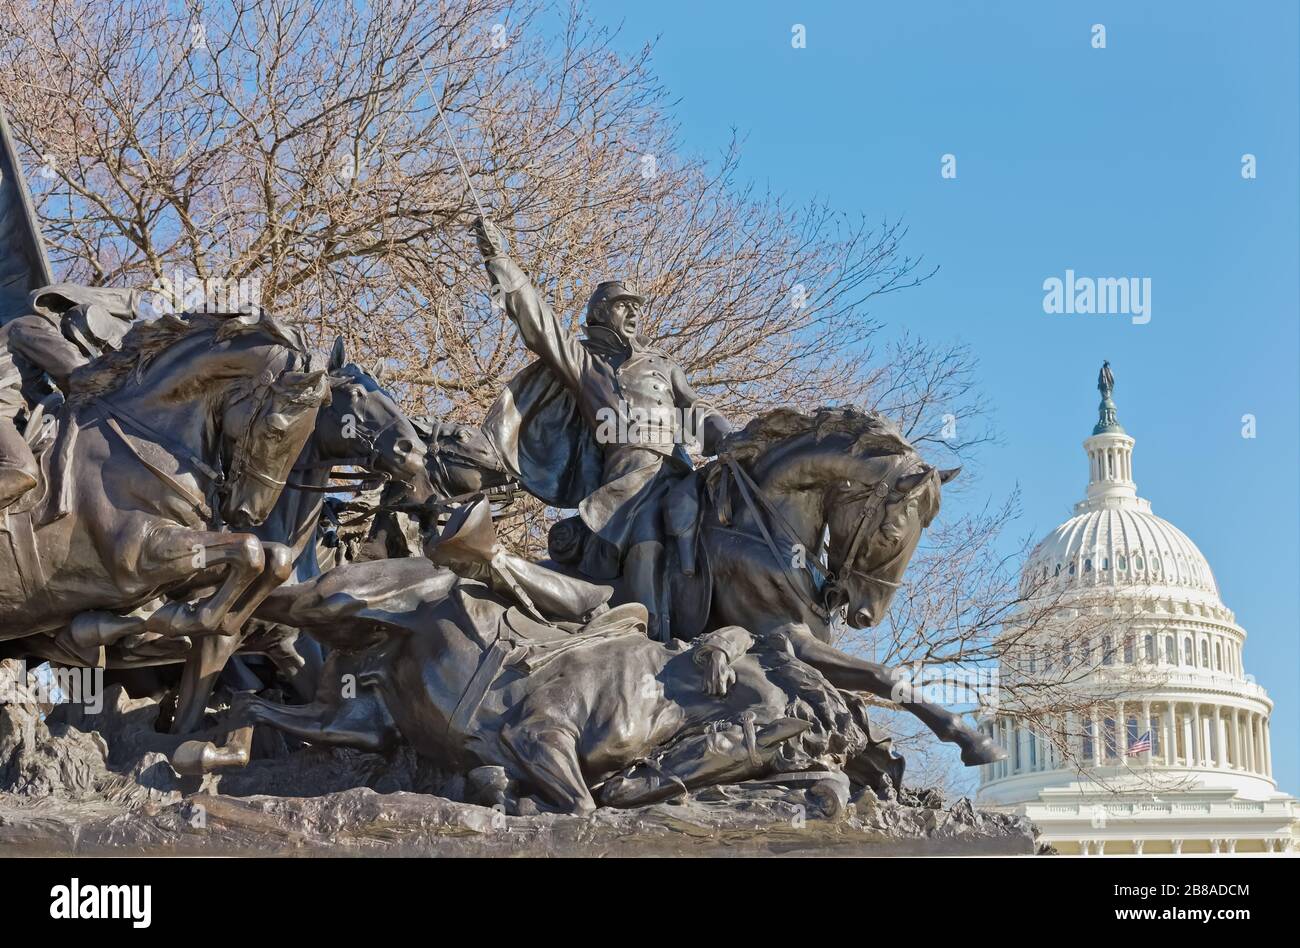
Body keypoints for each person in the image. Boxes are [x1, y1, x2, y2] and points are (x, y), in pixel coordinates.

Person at [473, 218, 730, 641]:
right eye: (622, 304)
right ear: (598, 312)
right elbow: (538, 325)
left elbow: (697, 411)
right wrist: (498, 259)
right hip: (629, 482)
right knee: (647, 532)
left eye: (636, 307)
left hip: (679, 475)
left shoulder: (663, 365)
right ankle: (647, 641)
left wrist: (729, 438)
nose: (633, 312)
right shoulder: (587, 364)